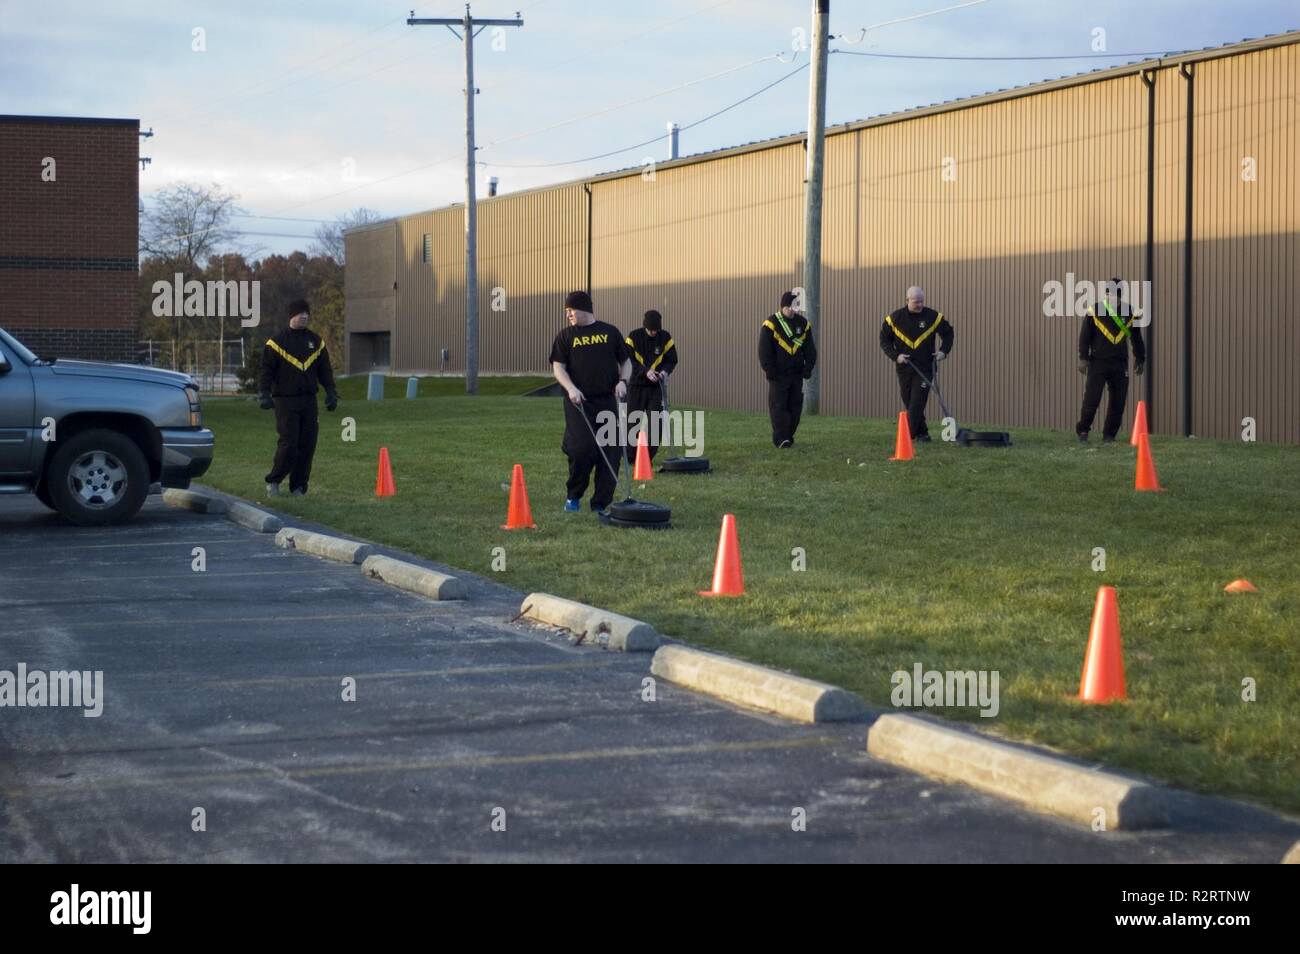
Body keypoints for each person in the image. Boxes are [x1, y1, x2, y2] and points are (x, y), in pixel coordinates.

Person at [549, 290, 632, 515]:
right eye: (567, 311)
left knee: (610, 452)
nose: (568, 314)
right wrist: (571, 388)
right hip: (579, 403)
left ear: (583, 308)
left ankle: (600, 503)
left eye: (571, 310)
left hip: (607, 401)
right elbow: (558, 367)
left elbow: (626, 362)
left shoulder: (610, 332)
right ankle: (573, 496)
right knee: (581, 449)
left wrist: (623, 381)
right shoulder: (566, 336)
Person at [258, 298, 339, 496]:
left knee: (307, 444)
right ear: (291, 315)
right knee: (289, 443)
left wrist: (331, 392)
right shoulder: (276, 342)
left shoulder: (316, 342)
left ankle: (299, 486)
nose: (304, 316)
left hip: (308, 401)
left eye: (306, 313)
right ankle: (274, 481)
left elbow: (325, 370)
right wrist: (264, 393)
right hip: (285, 400)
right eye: (300, 313)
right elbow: (266, 370)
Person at [879, 286, 954, 443]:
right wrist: (896, 356)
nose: (920, 305)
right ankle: (923, 434)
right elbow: (884, 340)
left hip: (925, 368)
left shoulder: (933, 317)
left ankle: (907, 437)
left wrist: (943, 351)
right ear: (907, 300)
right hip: (904, 369)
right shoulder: (894, 319)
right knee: (909, 401)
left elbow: (948, 333)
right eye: (916, 302)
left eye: (921, 301)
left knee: (916, 403)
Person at [1076, 278, 1146, 443]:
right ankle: (1083, 430)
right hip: (1098, 361)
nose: (1111, 298)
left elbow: (1136, 337)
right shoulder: (1095, 310)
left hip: (1120, 362)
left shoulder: (1130, 312)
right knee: (1092, 398)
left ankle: (1109, 435)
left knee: (1118, 401)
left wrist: (1140, 358)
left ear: (1121, 296)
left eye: (1115, 295)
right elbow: (1085, 336)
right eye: (1109, 294)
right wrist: (1083, 358)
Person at [758, 290, 817, 448]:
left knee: (795, 407)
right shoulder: (771, 324)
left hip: (796, 374)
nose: (791, 310)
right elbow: (764, 350)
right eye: (788, 307)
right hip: (778, 375)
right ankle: (781, 438)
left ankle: (788, 436)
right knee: (778, 407)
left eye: (794, 306)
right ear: (782, 307)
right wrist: (769, 370)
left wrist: (808, 368)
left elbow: (810, 350)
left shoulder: (803, 324)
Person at [623, 309, 678, 463]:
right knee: (633, 421)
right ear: (645, 326)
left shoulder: (665, 337)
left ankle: (648, 457)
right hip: (636, 386)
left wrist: (665, 372)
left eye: (656, 330)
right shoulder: (633, 337)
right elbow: (628, 361)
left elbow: (672, 359)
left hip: (656, 387)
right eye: (651, 330)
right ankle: (631, 457)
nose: (654, 332)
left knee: (655, 422)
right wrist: (645, 372)